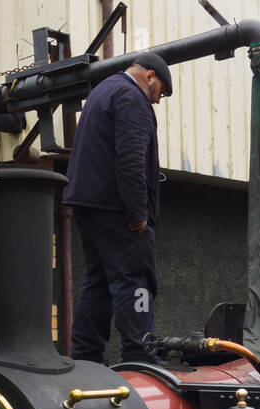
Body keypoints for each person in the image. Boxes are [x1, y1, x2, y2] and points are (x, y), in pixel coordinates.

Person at [63, 53, 173, 366]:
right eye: (161, 92)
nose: (159, 100)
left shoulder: (102, 91)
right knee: (135, 278)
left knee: (97, 280)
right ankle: (140, 359)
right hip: (117, 208)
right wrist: (138, 212)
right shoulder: (132, 97)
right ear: (150, 76)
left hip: (87, 203)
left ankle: (85, 360)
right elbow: (131, 158)